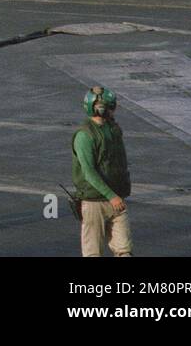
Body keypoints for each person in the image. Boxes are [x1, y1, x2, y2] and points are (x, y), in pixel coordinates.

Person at [72, 86, 132, 257]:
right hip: (94, 202)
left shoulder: (112, 129)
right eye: (110, 107)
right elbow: (89, 172)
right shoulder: (84, 136)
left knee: (125, 250)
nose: (113, 110)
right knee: (93, 253)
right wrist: (111, 196)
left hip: (117, 199)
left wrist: (116, 196)